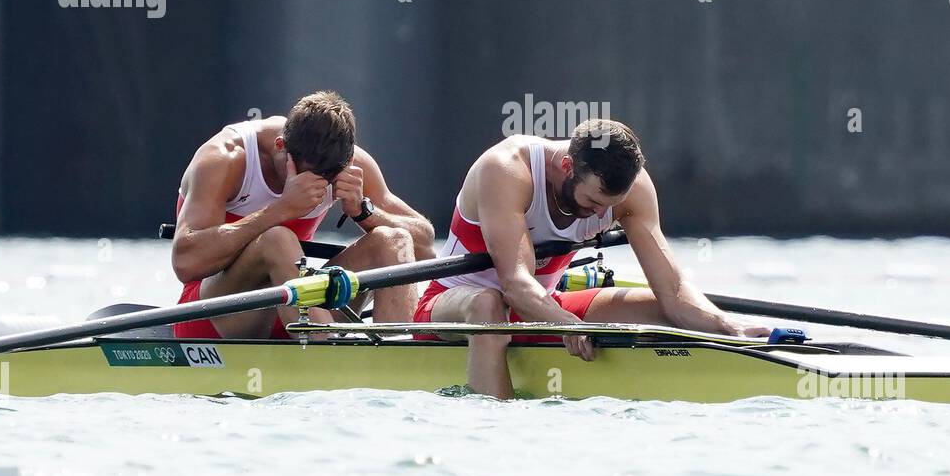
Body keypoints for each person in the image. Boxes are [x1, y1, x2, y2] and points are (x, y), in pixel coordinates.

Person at [414, 118, 767, 397]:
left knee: (659, 311)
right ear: (567, 165)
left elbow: (673, 292)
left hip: (545, 309)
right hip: (451, 309)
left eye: (610, 207)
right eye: (593, 202)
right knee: (488, 304)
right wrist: (568, 324)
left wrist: (727, 326)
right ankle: (497, 423)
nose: (600, 213)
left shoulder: (632, 189)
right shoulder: (507, 169)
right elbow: (515, 285)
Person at [171, 90, 433, 338]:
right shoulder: (224, 158)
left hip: (297, 309)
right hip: (212, 315)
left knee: (393, 239)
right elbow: (185, 262)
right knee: (278, 239)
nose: (317, 185)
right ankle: (326, 346)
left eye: (328, 178)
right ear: (281, 146)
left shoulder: (350, 165)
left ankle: (400, 351)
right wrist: (279, 210)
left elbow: (425, 247)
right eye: (306, 175)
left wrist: (365, 213)